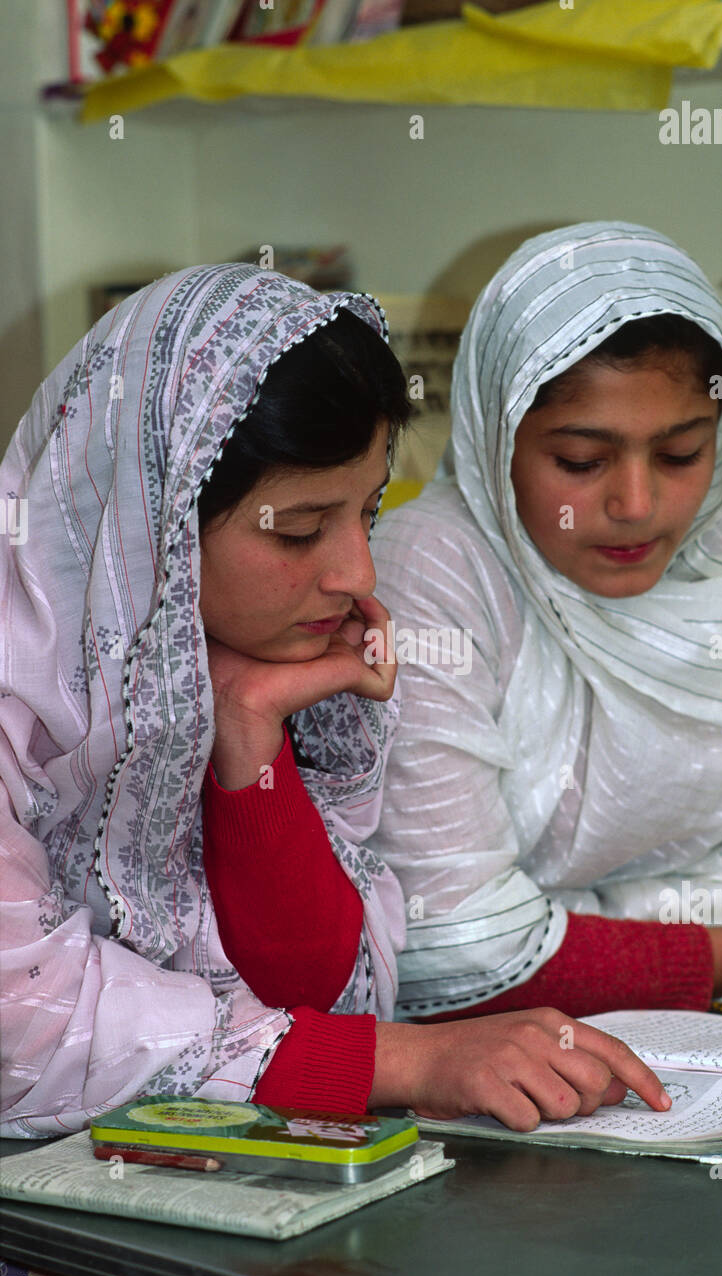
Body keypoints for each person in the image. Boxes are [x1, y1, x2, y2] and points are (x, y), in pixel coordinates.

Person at [0, 262, 669, 1144]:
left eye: (367, 513)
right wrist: (408, 1063)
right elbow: (24, 1025)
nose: (356, 572)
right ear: (153, 520)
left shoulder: (233, 661)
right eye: (302, 530)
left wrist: (249, 734)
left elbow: (314, 995)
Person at [370, 222, 722, 1025]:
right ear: (494, 437)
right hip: (490, 1050)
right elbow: (453, 948)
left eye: (681, 454)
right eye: (581, 462)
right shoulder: (433, 569)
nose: (636, 505)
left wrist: (589, 940)